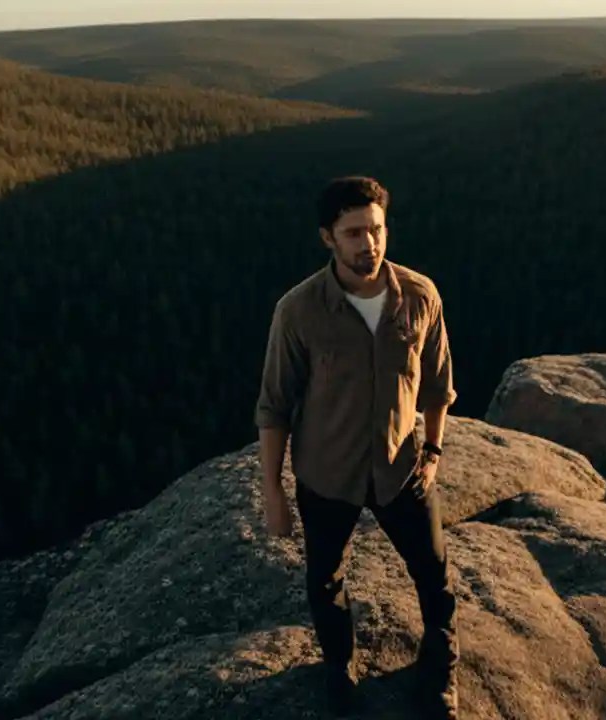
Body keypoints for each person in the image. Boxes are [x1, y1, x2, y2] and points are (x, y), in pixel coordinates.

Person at [254, 176, 460, 718]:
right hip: (327, 475)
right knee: (326, 582)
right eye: (353, 233)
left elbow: (438, 387)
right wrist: (272, 491)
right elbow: (274, 406)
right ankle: (340, 671)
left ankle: (440, 668)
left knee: (434, 574)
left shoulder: (420, 295)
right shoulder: (299, 311)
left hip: (401, 467)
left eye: (376, 229)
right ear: (328, 237)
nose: (368, 243)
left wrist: (433, 453)